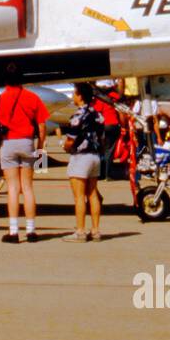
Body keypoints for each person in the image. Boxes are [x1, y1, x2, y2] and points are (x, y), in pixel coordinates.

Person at [0, 81, 49, 243]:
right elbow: (42, 128)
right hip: (27, 142)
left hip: (8, 143)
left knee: (13, 188)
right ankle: (31, 231)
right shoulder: (33, 97)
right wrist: (40, 150)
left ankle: (13, 232)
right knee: (28, 187)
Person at [62, 83, 104, 242]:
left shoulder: (77, 116)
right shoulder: (97, 114)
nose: (73, 96)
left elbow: (70, 141)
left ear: (80, 96)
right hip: (95, 156)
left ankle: (80, 231)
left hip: (81, 157)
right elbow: (101, 136)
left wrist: (65, 147)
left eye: (74, 93)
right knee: (92, 194)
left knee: (79, 196)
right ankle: (96, 230)